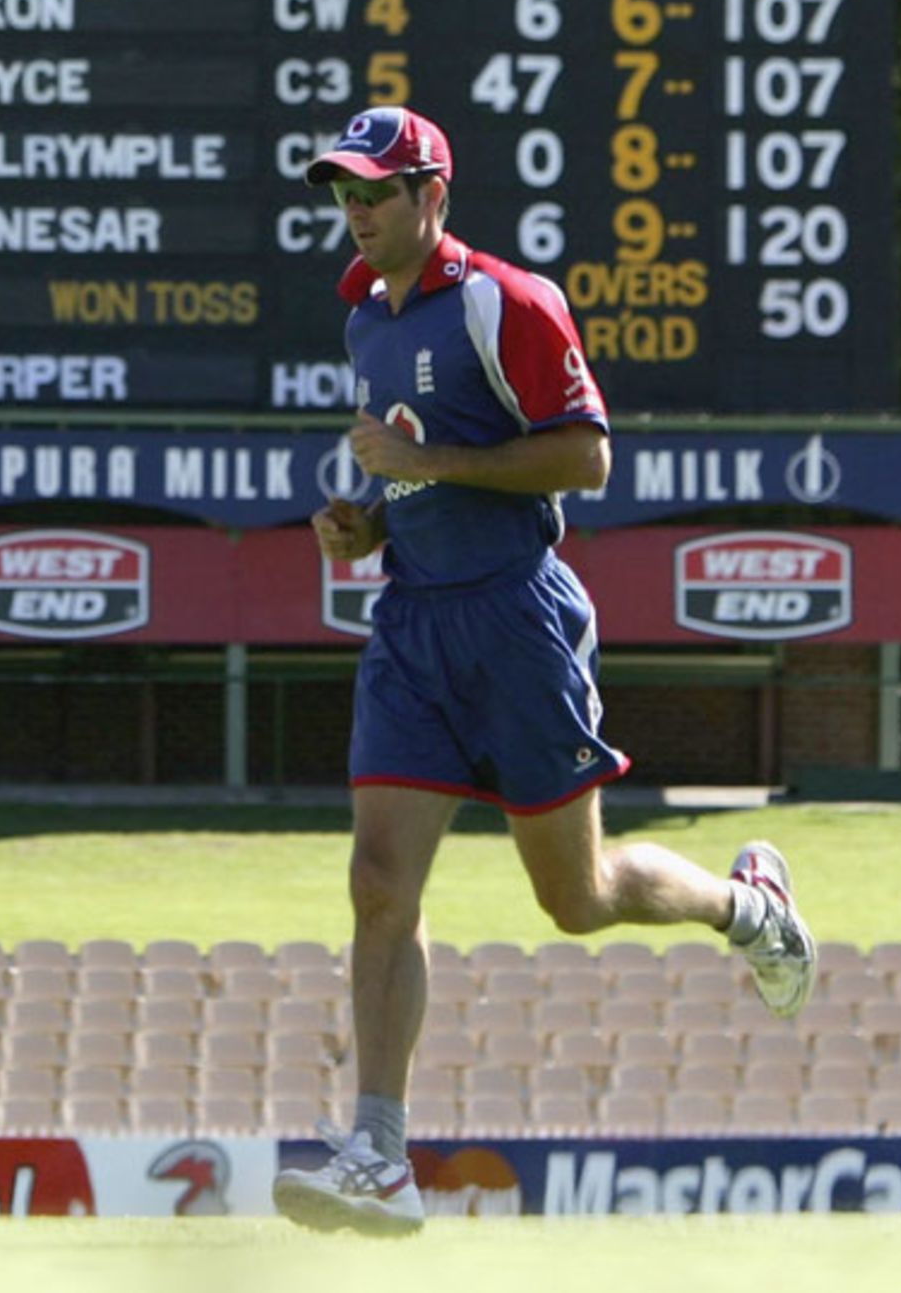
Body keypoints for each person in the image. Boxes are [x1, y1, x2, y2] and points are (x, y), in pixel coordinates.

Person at [272, 106, 817, 1237]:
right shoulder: (364, 318)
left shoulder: (505, 300)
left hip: (519, 620)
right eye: (343, 193)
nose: (356, 211)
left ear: (434, 192)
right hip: (415, 623)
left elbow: (585, 452)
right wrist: (367, 523)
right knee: (380, 882)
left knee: (577, 898)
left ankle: (744, 906)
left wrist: (428, 462)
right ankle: (378, 1148)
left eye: (374, 189)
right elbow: (417, 479)